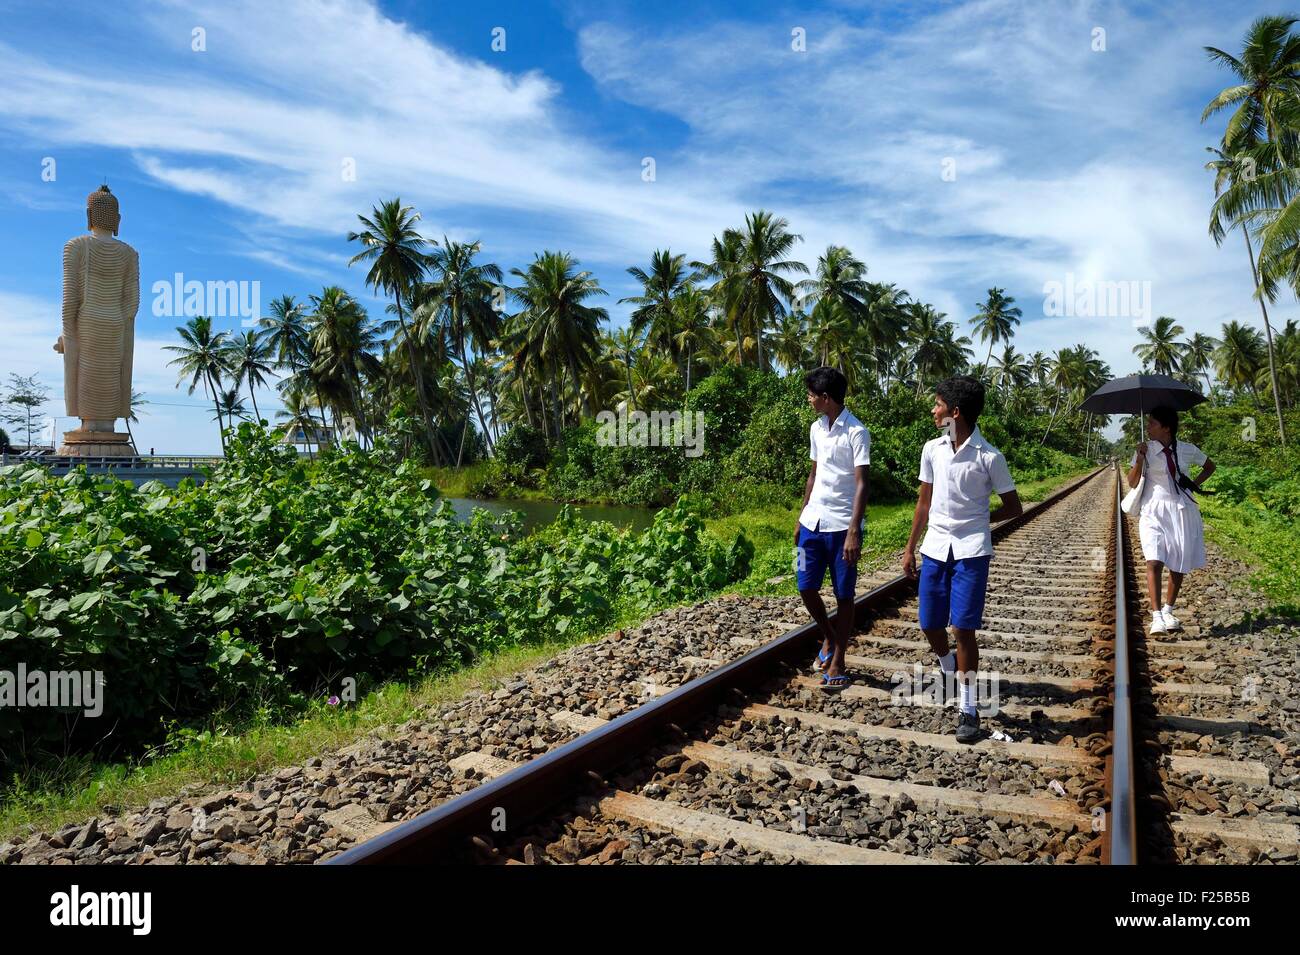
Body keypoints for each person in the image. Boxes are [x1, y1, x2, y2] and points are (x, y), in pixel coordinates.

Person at [902, 376, 1022, 743]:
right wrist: (910, 547)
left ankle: (969, 709)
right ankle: (947, 665)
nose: (933, 410)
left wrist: (982, 520)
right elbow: (924, 502)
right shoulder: (932, 450)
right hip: (936, 547)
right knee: (928, 623)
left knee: (963, 629)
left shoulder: (989, 457)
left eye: (937, 404)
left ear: (955, 413)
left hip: (972, 551)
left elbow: (1014, 507)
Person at [796, 366, 871, 691]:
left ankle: (839, 657)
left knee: (844, 595)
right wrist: (801, 515)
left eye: (812, 395)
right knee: (805, 586)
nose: (809, 400)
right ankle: (828, 635)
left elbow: (862, 483)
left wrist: (854, 529)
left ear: (826, 398)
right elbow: (814, 474)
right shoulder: (816, 428)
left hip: (842, 526)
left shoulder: (857, 432)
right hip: (812, 522)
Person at [1125, 406, 1215, 634]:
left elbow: (1210, 466)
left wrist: (1192, 484)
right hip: (1153, 509)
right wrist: (1140, 459)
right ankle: (1156, 616)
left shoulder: (1186, 449)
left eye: (1152, 423)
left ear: (1166, 427)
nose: (1148, 428)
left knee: (1178, 562)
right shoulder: (1144, 450)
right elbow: (1132, 483)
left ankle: (1168, 610)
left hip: (1181, 510)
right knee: (1154, 560)